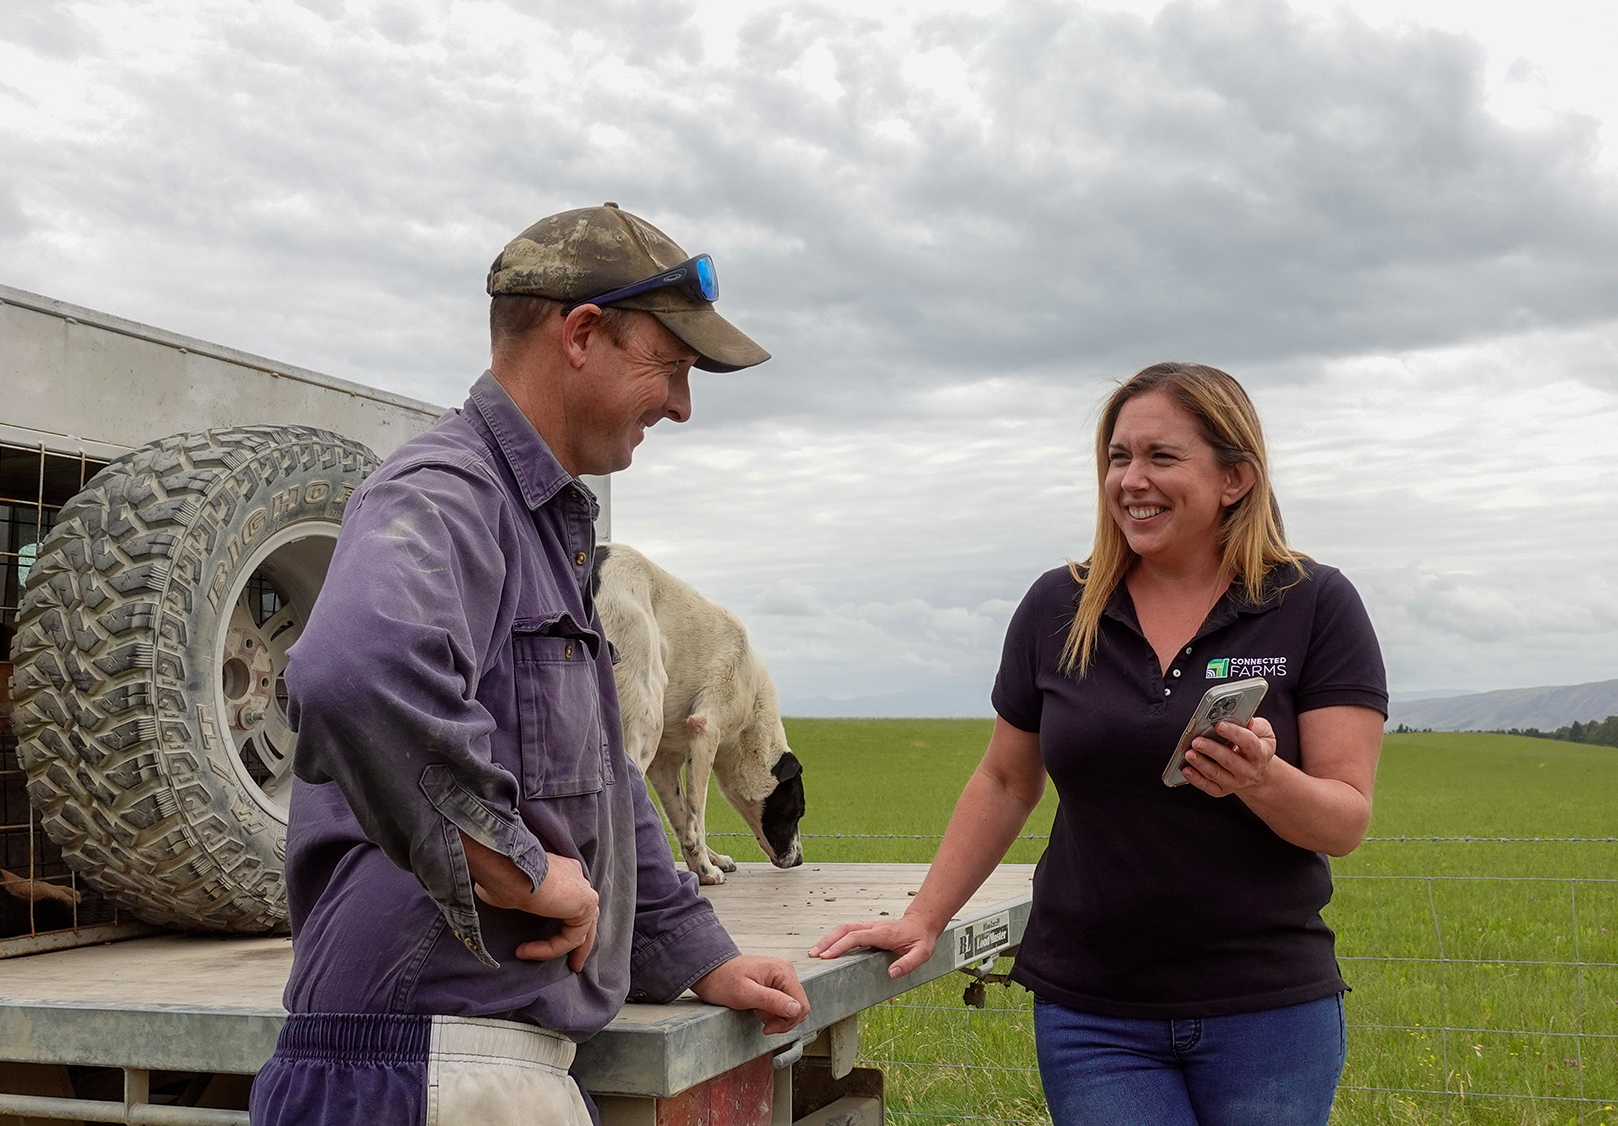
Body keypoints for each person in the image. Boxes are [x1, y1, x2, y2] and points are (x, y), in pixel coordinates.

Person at [251, 204, 810, 1126]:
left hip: (471, 1066)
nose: (681, 405)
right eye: (669, 366)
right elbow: (352, 671)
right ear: (581, 334)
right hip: (422, 1067)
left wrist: (698, 953)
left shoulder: (543, 531)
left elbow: (600, 777)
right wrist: (517, 866)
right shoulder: (447, 494)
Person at [811, 362, 1386, 1126]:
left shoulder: (1313, 604)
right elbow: (1006, 780)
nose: (1131, 480)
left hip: (1269, 1011)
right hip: (1094, 1013)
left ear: (1236, 478)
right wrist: (924, 917)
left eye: (1161, 457)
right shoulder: (1059, 605)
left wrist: (1262, 779)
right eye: (1119, 457)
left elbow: (1344, 820)